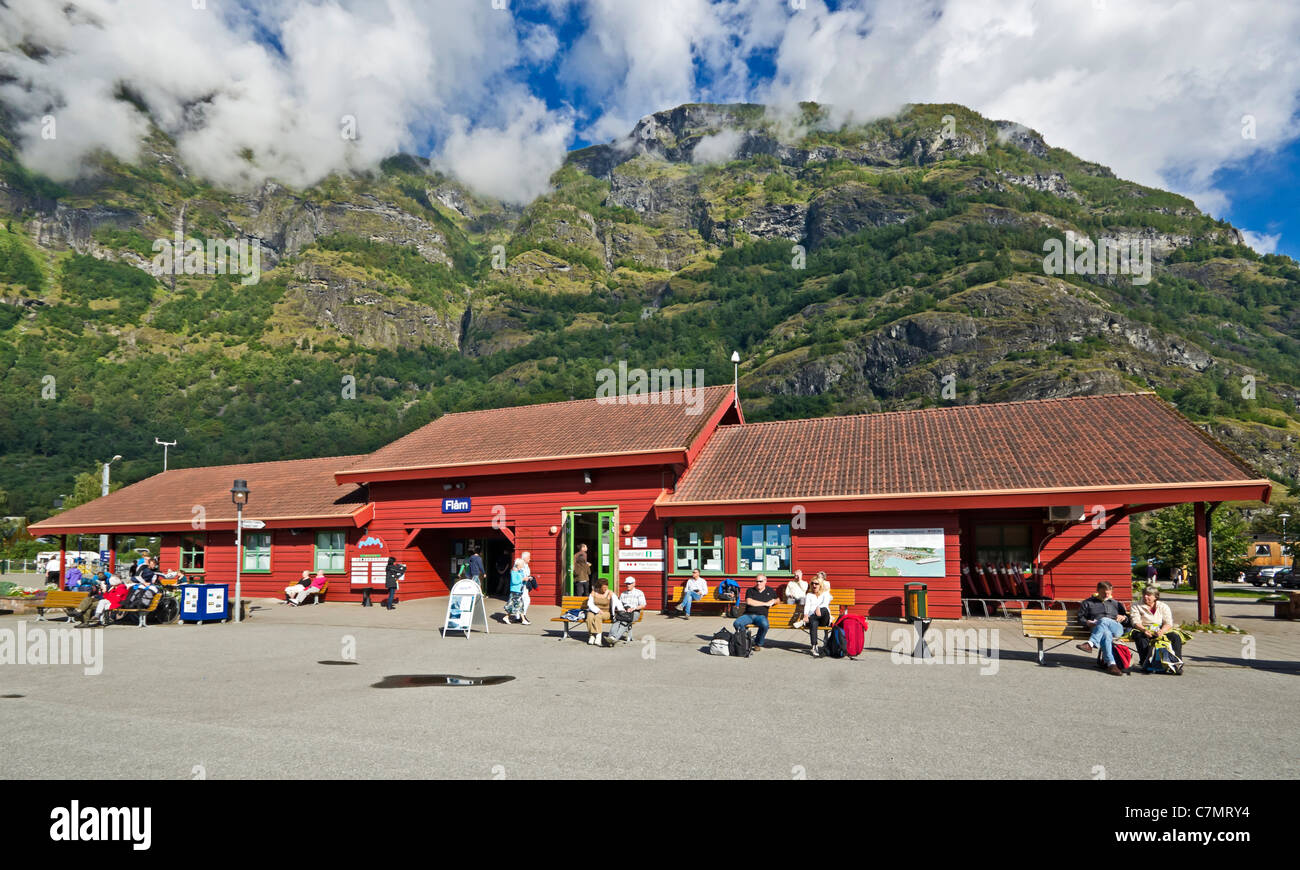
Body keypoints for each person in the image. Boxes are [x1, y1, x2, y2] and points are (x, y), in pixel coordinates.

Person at [1076, 581, 1130, 675]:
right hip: (1098, 629)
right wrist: (1087, 622)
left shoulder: (1116, 604)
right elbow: (1080, 618)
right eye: (1104, 592)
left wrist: (1124, 617)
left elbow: (1128, 620)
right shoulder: (1088, 603)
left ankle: (1091, 643)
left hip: (1116, 628)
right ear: (1097, 591)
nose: (1106, 595)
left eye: (1108, 593)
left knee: (1104, 620)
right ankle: (1111, 665)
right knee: (1106, 634)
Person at [1128, 585, 1183, 667]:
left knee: (1175, 636)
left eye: (1148, 595)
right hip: (1142, 629)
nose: (1145, 596)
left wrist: (1162, 631)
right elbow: (1135, 622)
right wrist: (1144, 630)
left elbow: (1168, 622)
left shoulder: (1163, 606)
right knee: (1140, 637)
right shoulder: (1136, 605)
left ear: (1155, 597)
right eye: (1144, 594)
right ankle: (1145, 663)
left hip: (1159, 629)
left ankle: (1176, 663)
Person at [732, 574, 779, 650]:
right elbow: (749, 602)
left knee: (765, 625)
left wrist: (774, 601)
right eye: (757, 581)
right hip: (748, 615)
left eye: (760, 581)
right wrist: (765, 603)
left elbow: (778, 600)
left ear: (765, 581)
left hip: (761, 616)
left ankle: (758, 644)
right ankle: (746, 639)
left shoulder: (770, 591)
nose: (758, 583)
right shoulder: (750, 590)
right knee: (737, 623)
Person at [794, 573, 833, 656]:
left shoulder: (825, 594)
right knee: (813, 622)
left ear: (820, 585)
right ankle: (814, 646)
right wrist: (805, 615)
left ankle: (803, 621)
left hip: (824, 619)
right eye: (812, 583)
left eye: (816, 583)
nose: (814, 585)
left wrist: (818, 608)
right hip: (813, 618)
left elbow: (825, 604)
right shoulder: (809, 595)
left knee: (824, 609)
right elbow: (807, 606)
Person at [585, 578, 623, 646]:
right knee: (589, 616)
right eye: (603, 588)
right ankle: (592, 635)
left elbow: (617, 602)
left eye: (606, 587)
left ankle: (598, 637)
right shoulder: (594, 592)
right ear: (599, 588)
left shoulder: (610, 593)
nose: (605, 589)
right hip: (595, 610)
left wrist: (622, 610)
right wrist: (597, 610)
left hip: (606, 612)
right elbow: (590, 604)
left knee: (598, 617)